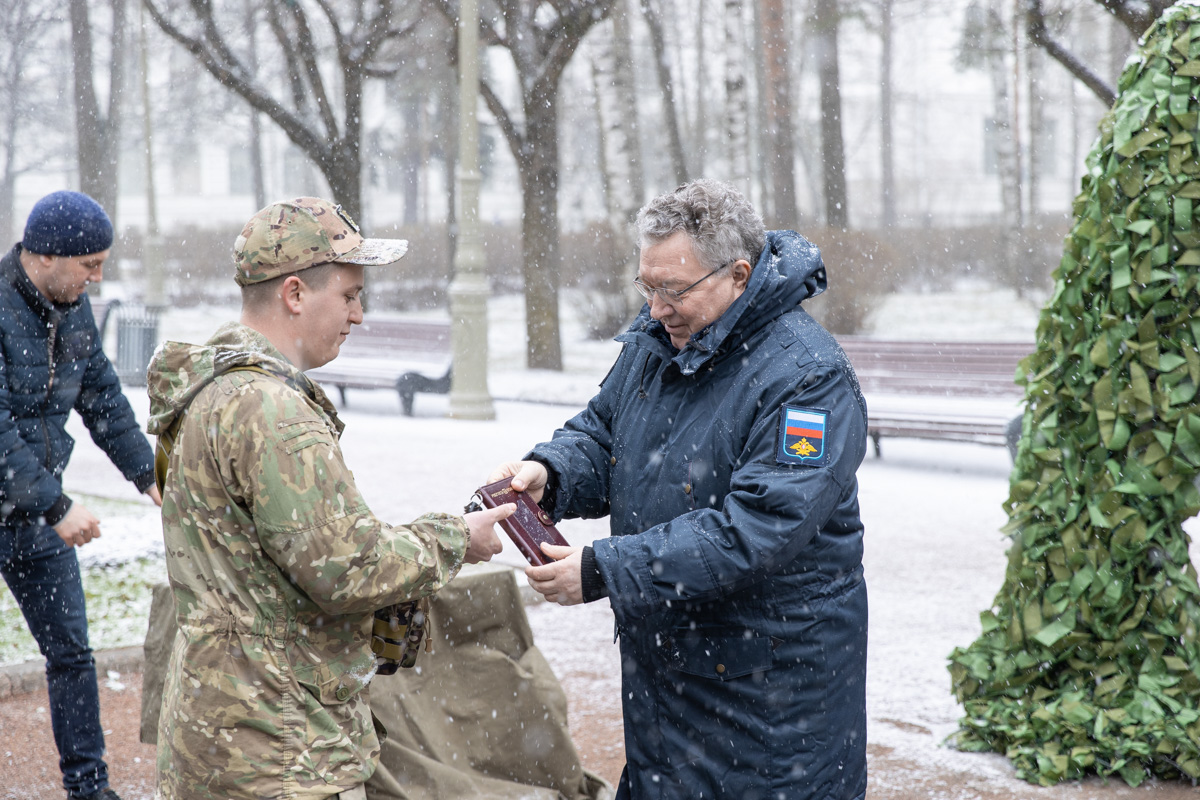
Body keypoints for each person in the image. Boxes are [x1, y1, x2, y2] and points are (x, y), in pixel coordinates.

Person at [489, 179, 870, 799]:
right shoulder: (659, 339)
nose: (657, 306)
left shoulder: (808, 380)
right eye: (647, 285)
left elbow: (759, 528)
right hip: (668, 676)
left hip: (771, 694)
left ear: (738, 275)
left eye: (674, 290)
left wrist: (606, 569)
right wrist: (551, 474)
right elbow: (606, 432)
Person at [146, 197, 512, 800]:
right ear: (294, 294)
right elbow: (346, 569)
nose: (359, 315)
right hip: (281, 746)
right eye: (348, 296)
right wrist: (455, 537)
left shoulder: (206, 391)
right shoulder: (272, 410)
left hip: (216, 728)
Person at [0, 190, 162, 800]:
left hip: (36, 519)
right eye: (89, 265)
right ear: (44, 257)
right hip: (37, 505)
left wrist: (152, 479)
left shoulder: (73, 307)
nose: (97, 278)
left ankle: (90, 789)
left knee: (72, 658)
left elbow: (103, 400)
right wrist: (58, 505)